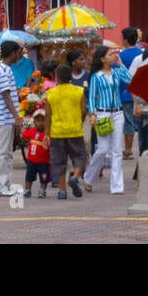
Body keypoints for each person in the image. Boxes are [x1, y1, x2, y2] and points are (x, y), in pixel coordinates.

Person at [83, 45, 133, 194]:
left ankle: (117, 186)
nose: (114, 56)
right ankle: (89, 177)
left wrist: (121, 65)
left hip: (118, 113)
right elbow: (92, 97)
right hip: (103, 114)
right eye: (111, 54)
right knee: (103, 149)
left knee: (117, 150)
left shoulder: (117, 73)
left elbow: (130, 80)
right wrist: (92, 114)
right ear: (102, 58)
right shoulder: (96, 77)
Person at [44, 63, 88, 199]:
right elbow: (84, 111)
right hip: (75, 130)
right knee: (80, 156)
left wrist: (46, 134)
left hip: (57, 132)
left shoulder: (50, 94)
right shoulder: (79, 91)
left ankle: (62, 190)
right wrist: (78, 121)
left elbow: (47, 116)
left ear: (57, 77)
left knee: (59, 161)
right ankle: (75, 177)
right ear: (70, 77)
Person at [0, 40, 25, 196]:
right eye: (19, 52)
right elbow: (6, 96)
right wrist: (16, 116)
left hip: (6, 118)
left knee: (7, 152)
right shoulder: (3, 71)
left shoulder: (6, 70)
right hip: (3, 118)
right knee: (2, 152)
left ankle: (6, 183)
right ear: (13, 53)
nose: (20, 55)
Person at [118, 27, 140, 159]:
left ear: (125, 39)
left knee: (128, 122)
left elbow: (118, 74)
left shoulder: (121, 56)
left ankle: (128, 149)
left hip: (125, 93)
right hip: (138, 93)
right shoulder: (141, 53)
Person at [22, 110, 50, 198]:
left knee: (44, 177)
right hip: (31, 161)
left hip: (43, 161)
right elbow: (24, 135)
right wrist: (21, 129)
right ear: (34, 122)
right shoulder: (31, 131)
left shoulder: (48, 134)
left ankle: (42, 190)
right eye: (38, 121)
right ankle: (27, 189)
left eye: (43, 120)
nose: (40, 123)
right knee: (29, 176)